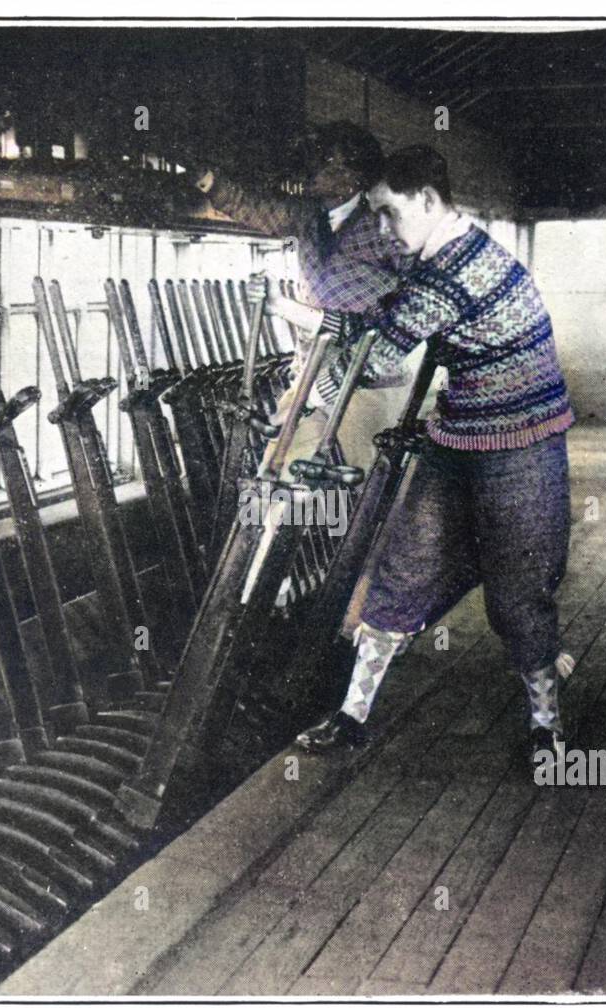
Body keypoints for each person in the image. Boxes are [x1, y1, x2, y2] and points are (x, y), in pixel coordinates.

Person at [262, 145, 576, 762]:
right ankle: (351, 717)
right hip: (460, 429)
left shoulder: (454, 268)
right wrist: (322, 322)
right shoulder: (442, 253)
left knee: (518, 595)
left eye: (388, 214)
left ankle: (547, 729)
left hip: (525, 439)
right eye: (372, 216)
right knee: (402, 571)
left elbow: (378, 358)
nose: (381, 229)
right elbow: (386, 318)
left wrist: (299, 321)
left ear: (429, 201)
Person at [194, 121, 418, 475]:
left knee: (352, 483)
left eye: (328, 161)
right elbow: (253, 206)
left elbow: (414, 300)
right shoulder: (306, 216)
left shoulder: (386, 226)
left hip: (370, 382)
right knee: (275, 475)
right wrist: (207, 178)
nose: (313, 168)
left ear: (354, 177)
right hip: (311, 373)